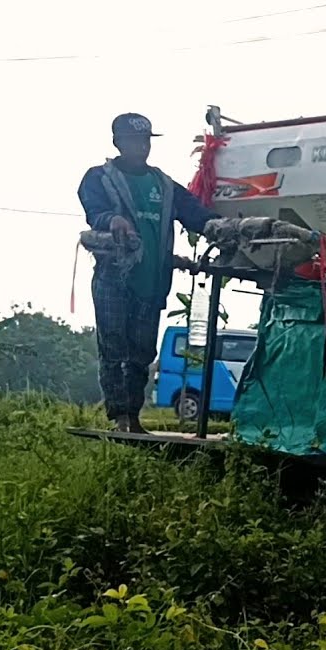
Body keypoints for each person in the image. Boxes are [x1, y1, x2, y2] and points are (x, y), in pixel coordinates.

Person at [77, 113, 220, 433]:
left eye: (145, 141)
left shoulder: (164, 185)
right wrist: (111, 220)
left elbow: (196, 214)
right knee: (113, 346)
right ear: (118, 143)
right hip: (114, 277)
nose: (141, 147)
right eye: (134, 141)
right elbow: (95, 210)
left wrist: (219, 226)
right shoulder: (99, 177)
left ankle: (134, 416)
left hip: (152, 281)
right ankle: (119, 417)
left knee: (142, 352)